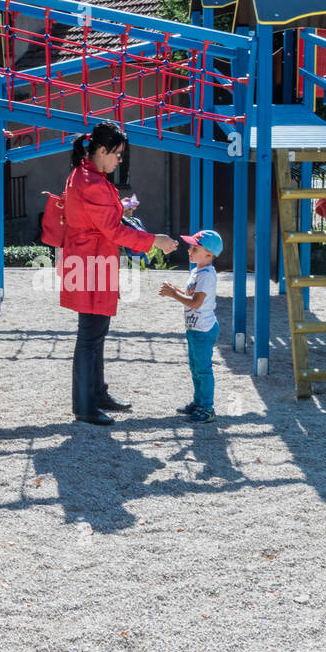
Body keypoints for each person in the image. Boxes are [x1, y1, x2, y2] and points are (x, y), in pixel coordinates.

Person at [61, 122, 179, 425]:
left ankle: (96, 395)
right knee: (90, 336)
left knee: (94, 333)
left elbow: (101, 220)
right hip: (93, 264)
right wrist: (156, 240)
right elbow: (114, 232)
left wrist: (119, 210)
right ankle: (85, 405)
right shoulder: (94, 183)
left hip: (88, 260)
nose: (119, 160)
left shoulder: (85, 175)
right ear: (101, 151)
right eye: (117, 154)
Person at [158, 229, 223, 424]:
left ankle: (207, 408)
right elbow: (192, 296)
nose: (190, 250)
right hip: (195, 329)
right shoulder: (197, 272)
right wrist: (176, 290)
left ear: (209, 254)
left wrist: (172, 294)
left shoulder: (207, 275)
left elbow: (196, 303)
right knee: (196, 368)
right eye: (191, 246)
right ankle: (199, 403)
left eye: (195, 247)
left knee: (203, 370)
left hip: (203, 330)